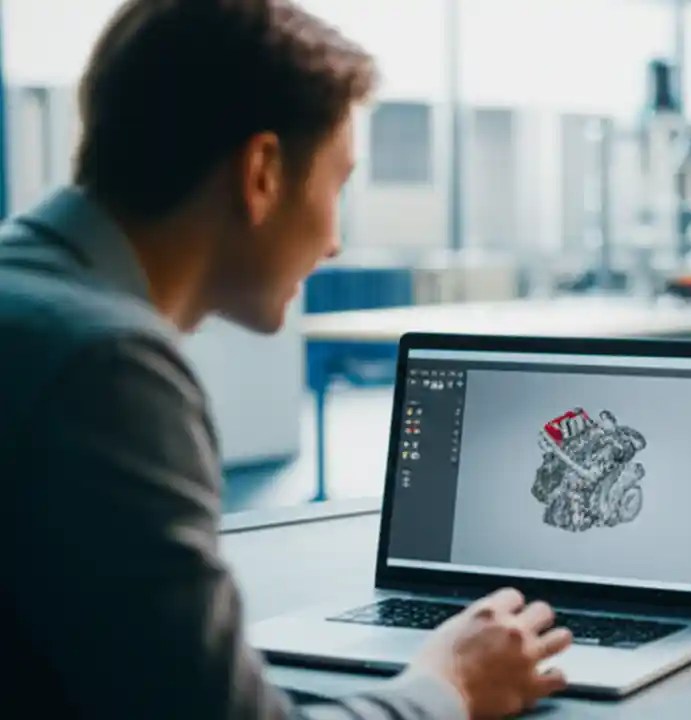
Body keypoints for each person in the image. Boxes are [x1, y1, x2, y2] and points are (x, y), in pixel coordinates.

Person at [0, 1, 571, 718]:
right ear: (262, 171)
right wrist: (447, 687)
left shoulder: (28, 302)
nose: (334, 240)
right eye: (339, 183)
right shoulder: (107, 371)